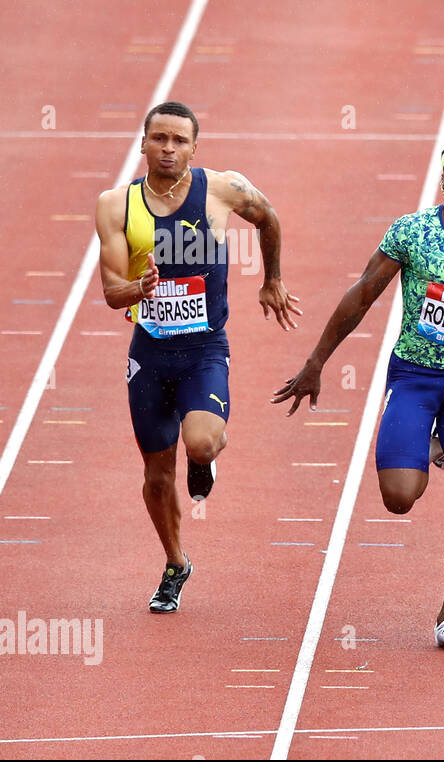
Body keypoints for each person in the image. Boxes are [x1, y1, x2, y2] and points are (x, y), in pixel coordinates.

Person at [273, 135, 444, 653]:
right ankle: (431, 442)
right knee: (399, 498)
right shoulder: (412, 231)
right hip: (413, 380)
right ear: (441, 178)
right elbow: (363, 294)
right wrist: (316, 361)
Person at [94, 101, 301, 614]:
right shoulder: (115, 205)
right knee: (157, 477)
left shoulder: (223, 189)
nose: (168, 149)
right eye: (159, 139)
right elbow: (111, 294)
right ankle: (176, 563)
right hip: (149, 352)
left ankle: (203, 460)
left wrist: (272, 278)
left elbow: (268, 218)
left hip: (204, 347)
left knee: (202, 442)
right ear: (142, 143)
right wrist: (136, 289)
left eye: (179, 141)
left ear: (193, 147)